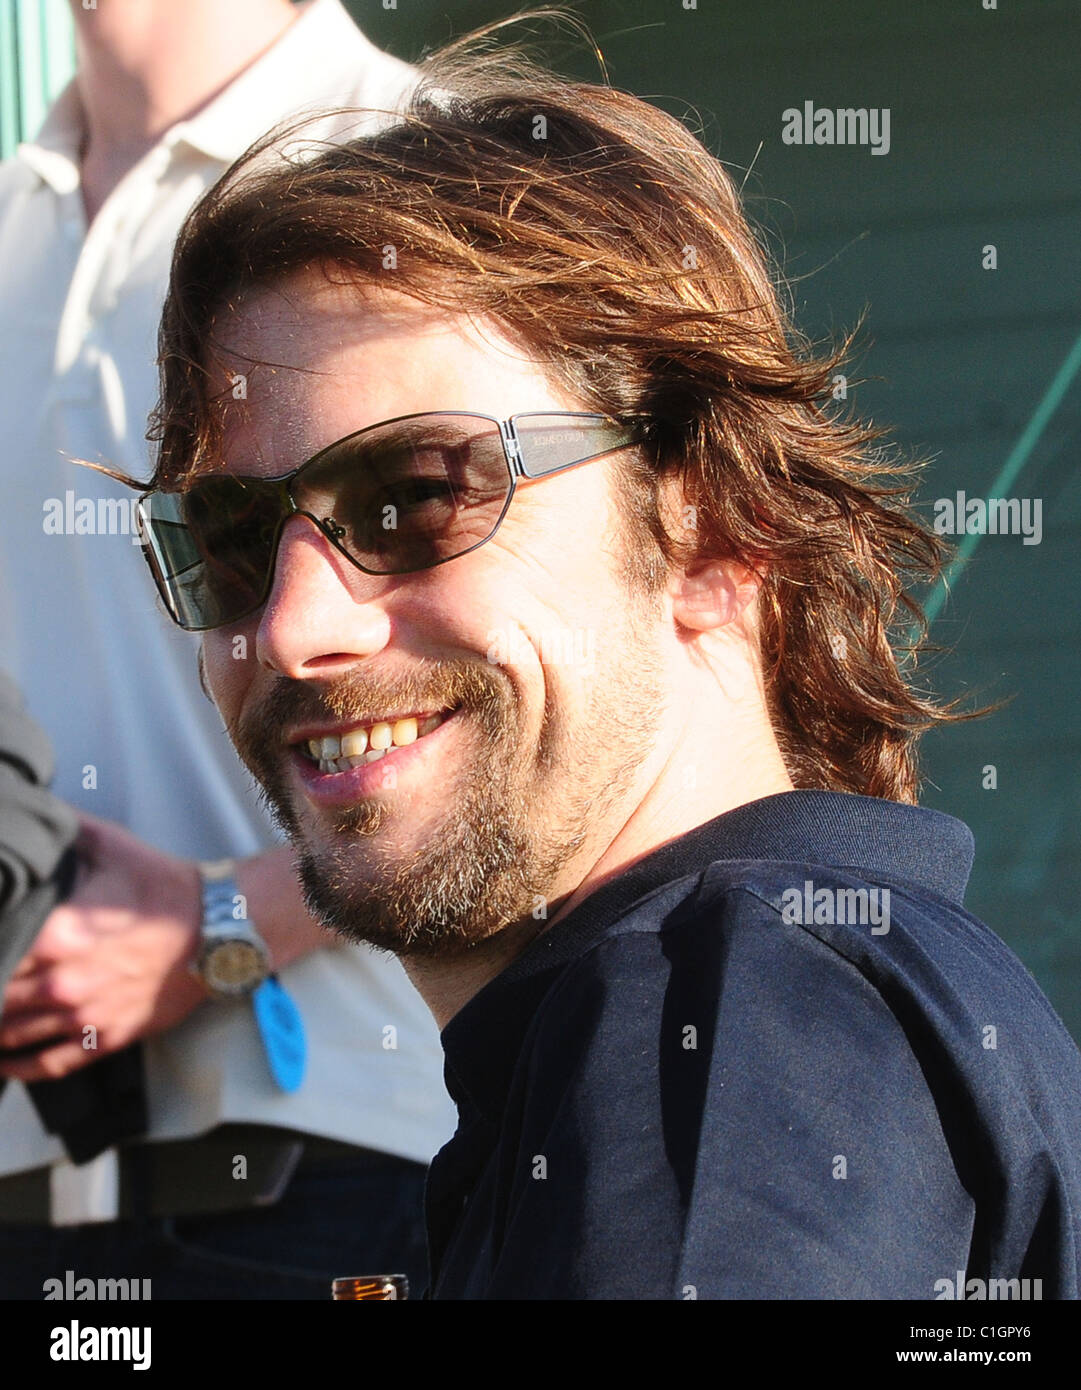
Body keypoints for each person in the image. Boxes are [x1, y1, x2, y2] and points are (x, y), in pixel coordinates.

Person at [115, 40, 1081, 1299]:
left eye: (412, 495)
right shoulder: (798, 990)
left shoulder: (710, 1010)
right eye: (232, 541)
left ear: (715, 528)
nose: (296, 626)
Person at [0, 0, 455, 1299]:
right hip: (33, 1174)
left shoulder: (437, 162)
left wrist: (221, 926)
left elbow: (569, 702)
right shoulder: (6, 224)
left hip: (358, 1136)